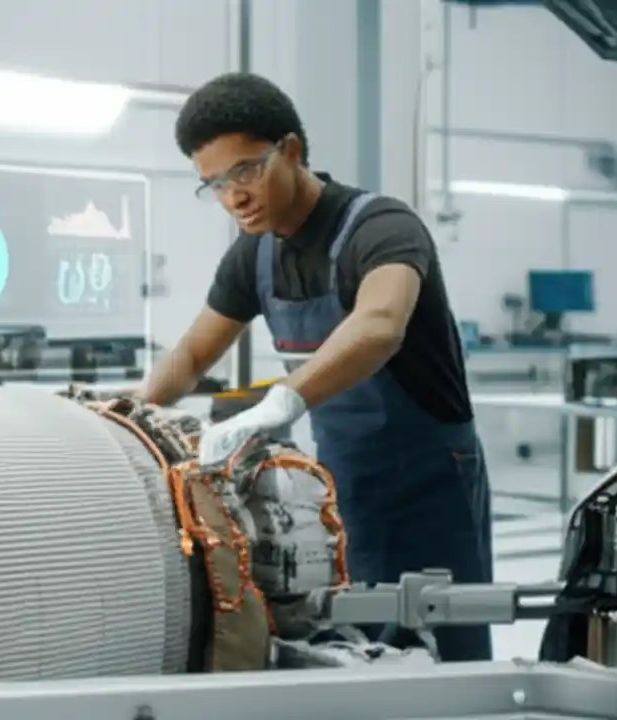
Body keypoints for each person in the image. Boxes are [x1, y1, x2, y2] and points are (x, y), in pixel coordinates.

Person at [140, 72, 493, 662]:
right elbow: (194, 354)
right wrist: (129, 414)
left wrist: (278, 403)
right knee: (358, 645)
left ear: (293, 151)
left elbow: (380, 325)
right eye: (216, 185)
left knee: (444, 645)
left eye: (246, 171)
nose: (235, 197)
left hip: (432, 481)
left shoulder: (381, 229)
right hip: (342, 480)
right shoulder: (253, 255)